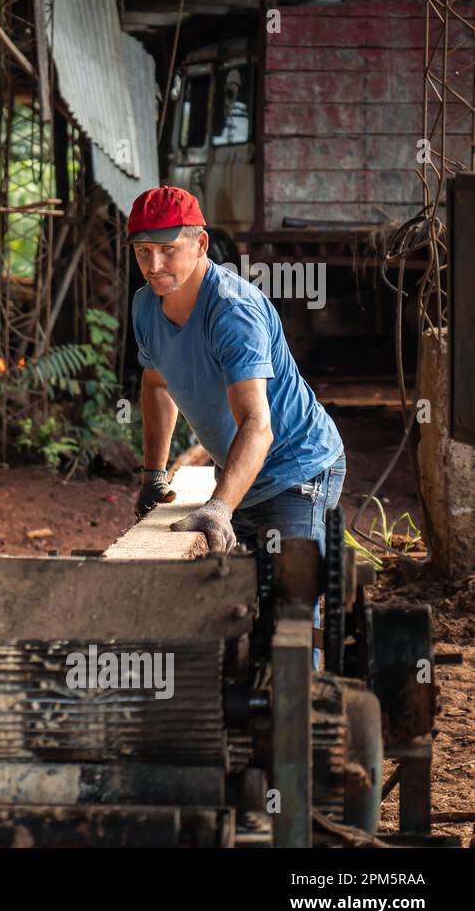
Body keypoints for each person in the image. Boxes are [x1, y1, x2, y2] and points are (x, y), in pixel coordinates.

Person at [129, 185, 345, 659]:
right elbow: (157, 385)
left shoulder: (232, 311)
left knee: (289, 608)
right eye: (144, 252)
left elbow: (257, 425)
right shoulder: (145, 306)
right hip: (241, 471)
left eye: (168, 250)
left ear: (201, 244)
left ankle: (306, 718)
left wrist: (220, 507)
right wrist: (153, 475)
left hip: (298, 468)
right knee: (234, 604)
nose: (155, 265)